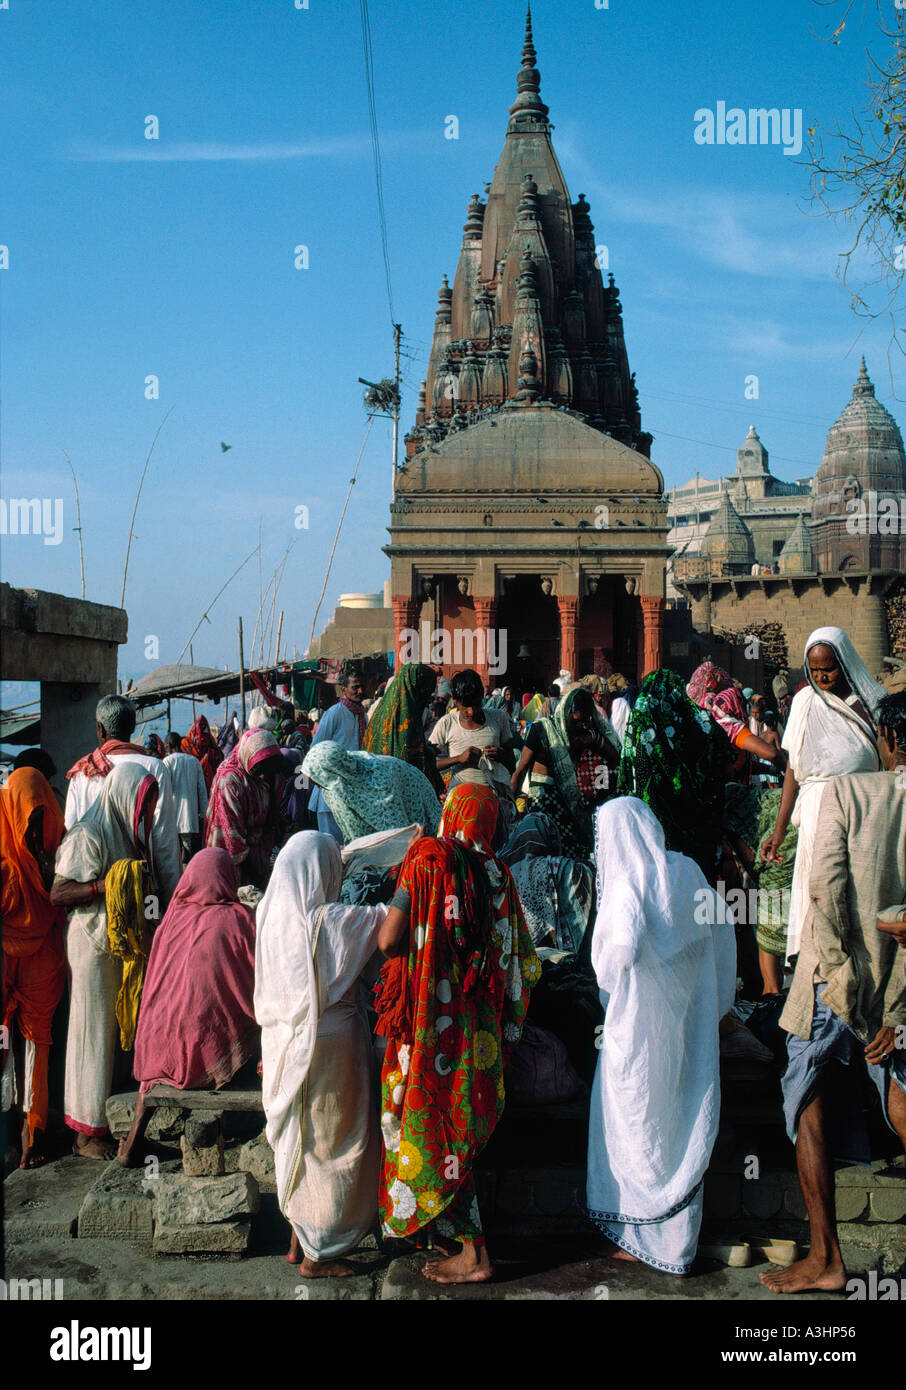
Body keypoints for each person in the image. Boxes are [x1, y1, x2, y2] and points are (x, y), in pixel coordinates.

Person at [760, 692, 906, 1295]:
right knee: (899, 1097)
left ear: (886, 740)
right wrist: (894, 1010)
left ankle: (826, 1258)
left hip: (831, 980)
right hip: (899, 988)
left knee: (806, 1099)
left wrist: (848, 993)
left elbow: (822, 896)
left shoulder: (849, 794)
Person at [374, 784, 540, 1282]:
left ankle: (475, 1254)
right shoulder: (500, 874)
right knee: (458, 1128)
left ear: (450, 814)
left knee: (425, 1124)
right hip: (476, 1037)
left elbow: (387, 940)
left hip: (425, 1030)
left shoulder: (426, 860)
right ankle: (451, 1234)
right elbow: (524, 965)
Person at [587, 797, 736, 1274]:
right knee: (678, 1125)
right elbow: (719, 927)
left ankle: (638, 1237)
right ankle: (677, 1243)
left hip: (636, 1035)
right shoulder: (688, 869)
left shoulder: (627, 883)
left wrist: (610, 973)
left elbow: (620, 953)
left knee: (637, 1134)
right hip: (686, 1025)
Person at [255, 832, 392, 1277]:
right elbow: (386, 923)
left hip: (282, 1048)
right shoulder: (325, 921)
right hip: (331, 1048)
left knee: (302, 1145)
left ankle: (300, 1239)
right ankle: (321, 1255)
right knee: (335, 1147)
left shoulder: (268, 913)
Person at [118, 848, 258, 1165]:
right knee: (256, 1016)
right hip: (204, 1053)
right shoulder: (239, 919)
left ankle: (132, 1141)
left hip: (157, 1054)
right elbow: (257, 982)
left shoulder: (169, 922)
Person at [50, 762, 159, 1159]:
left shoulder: (127, 835)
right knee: (90, 1036)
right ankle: (84, 1132)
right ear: (124, 797)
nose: (146, 815)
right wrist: (104, 884)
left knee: (114, 1036)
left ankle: (106, 1119)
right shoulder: (89, 832)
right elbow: (58, 892)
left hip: (116, 946)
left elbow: (144, 888)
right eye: (143, 805)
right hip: (91, 948)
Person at [760, 627, 886, 963]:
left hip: (863, 811)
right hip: (817, 814)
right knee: (819, 891)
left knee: (858, 893)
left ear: (844, 663)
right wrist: (780, 828)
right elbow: (794, 771)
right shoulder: (804, 703)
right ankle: (817, 965)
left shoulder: (871, 705)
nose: (821, 676)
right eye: (814, 670)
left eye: (828, 668)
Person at [1, 767, 66, 1167]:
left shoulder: (54, 845)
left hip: (41, 968)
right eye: (28, 820)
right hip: (8, 970)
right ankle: (14, 1132)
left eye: (40, 819)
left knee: (37, 1049)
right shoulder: (7, 865)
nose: (34, 830)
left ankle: (33, 1130)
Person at [64, 694, 181, 903]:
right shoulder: (153, 767)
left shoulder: (82, 772)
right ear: (133, 726)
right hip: (141, 890)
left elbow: (71, 833)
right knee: (143, 934)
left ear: (100, 729)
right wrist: (171, 898)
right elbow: (164, 840)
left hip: (93, 889)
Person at [616, 668, 728, 879]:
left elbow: (628, 778)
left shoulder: (640, 723)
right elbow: (719, 747)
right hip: (697, 838)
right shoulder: (692, 722)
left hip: (652, 838)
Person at [510, 683, 620, 858]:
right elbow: (520, 770)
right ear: (565, 712)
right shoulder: (543, 729)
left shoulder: (587, 735)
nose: (580, 724)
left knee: (570, 860)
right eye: (576, 720)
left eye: (585, 720)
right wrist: (512, 808)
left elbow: (615, 760)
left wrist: (595, 740)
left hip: (574, 813)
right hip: (544, 806)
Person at [430, 668, 518, 843]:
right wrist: (458, 759)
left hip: (493, 805)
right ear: (454, 700)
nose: (471, 711)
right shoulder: (447, 723)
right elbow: (428, 763)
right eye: (465, 707)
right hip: (460, 805)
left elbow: (512, 762)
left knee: (493, 855)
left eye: (476, 704)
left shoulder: (498, 718)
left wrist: (500, 754)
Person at [301, 741, 441, 843]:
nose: (315, 785)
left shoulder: (378, 779)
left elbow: (396, 827)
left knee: (419, 841)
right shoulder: (334, 785)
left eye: (315, 779)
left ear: (331, 773)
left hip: (411, 792)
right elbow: (353, 829)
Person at [498, 812, 594, 956]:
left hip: (514, 953)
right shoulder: (557, 866)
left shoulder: (500, 868)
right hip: (555, 953)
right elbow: (587, 873)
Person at [204, 730, 285, 888]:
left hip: (259, 849)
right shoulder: (229, 781)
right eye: (259, 770)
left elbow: (273, 814)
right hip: (234, 855)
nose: (263, 776)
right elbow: (230, 837)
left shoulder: (271, 775)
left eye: (267, 770)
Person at [686, 661, 782, 782]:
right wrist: (789, 770)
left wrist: (772, 770)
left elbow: (741, 766)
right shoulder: (723, 720)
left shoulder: (703, 717)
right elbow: (771, 754)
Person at [306, 670, 366, 840]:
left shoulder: (362, 715)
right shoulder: (334, 713)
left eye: (361, 687)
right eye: (355, 687)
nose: (360, 691)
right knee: (332, 845)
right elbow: (315, 751)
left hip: (352, 791)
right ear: (343, 689)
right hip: (330, 793)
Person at [363, 661, 441, 790]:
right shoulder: (406, 720)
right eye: (427, 693)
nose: (429, 700)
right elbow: (407, 763)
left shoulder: (383, 712)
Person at [163, 732, 209, 865]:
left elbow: (165, 789)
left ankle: (179, 877)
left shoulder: (167, 762)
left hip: (172, 814)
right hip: (189, 814)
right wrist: (204, 813)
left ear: (169, 745)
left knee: (174, 851)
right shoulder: (194, 761)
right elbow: (201, 790)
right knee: (187, 848)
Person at [181, 714, 224, 792]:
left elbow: (219, 763)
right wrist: (202, 762)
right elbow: (186, 768)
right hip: (191, 786)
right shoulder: (186, 745)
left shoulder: (210, 743)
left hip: (210, 785)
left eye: (205, 732)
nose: (203, 737)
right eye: (201, 732)